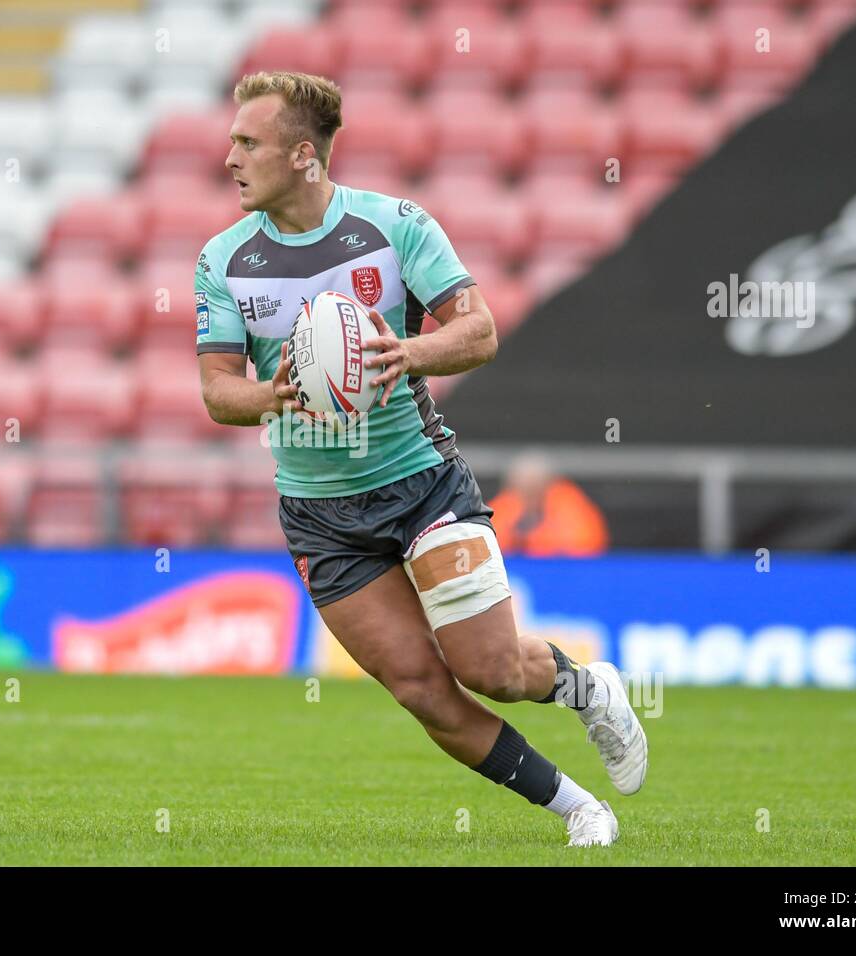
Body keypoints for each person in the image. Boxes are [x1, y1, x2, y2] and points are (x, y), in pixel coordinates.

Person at [194, 71, 646, 847]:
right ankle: (580, 809)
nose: (228, 155)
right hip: (319, 516)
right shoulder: (224, 259)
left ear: (304, 155)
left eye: (247, 142)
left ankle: (585, 687)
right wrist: (270, 396)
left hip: (420, 487)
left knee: (494, 670)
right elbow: (215, 391)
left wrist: (408, 351)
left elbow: (480, 332)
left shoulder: (392, 227)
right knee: (421, 690)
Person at [489, 455, 610, 557]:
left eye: (535, 485)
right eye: (522, 487)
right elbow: (484, 548)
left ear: (549, 483)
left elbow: (586, 545)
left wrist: (531, 542)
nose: (529, 493)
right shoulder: (501, 508)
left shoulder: (571, 508)